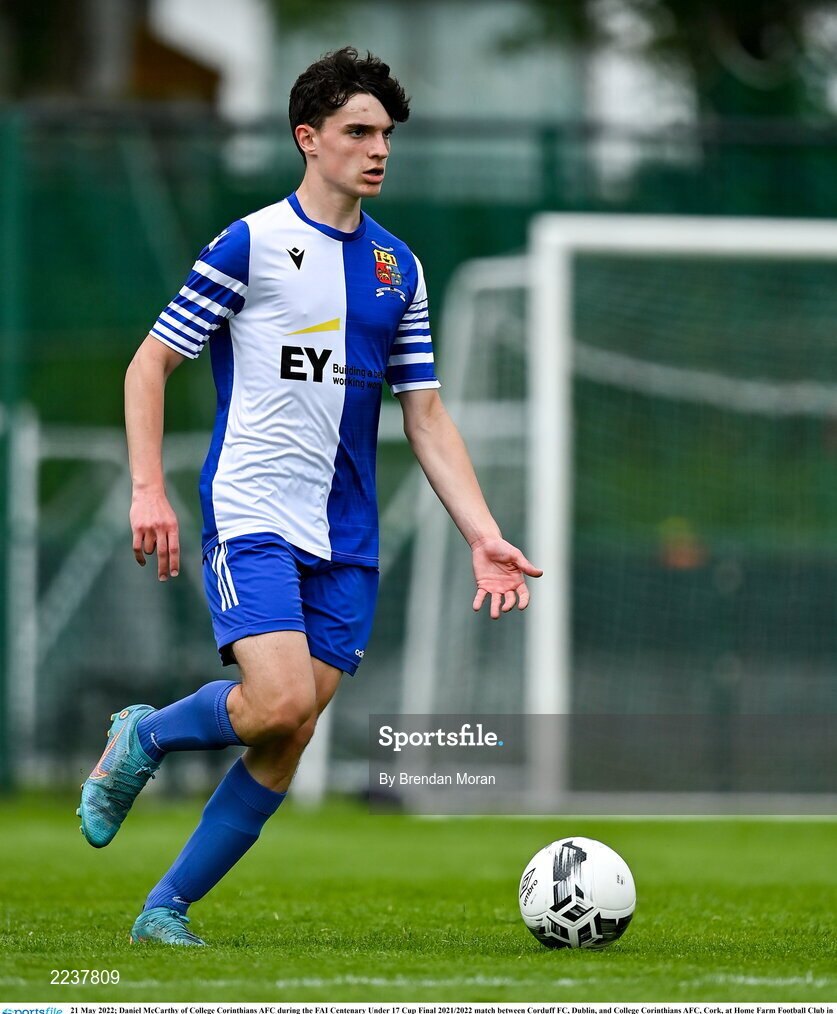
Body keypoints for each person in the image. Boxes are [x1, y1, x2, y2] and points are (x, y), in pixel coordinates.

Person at [78, 46, 541, 947]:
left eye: (385, 135)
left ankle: (163, 910)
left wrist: (483, 533)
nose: (378, 150)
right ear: (309, 138)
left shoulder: (396, 270)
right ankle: (145, 737)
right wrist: (149, 489)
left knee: (285, 735)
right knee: (280, 701)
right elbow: (151, 362)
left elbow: (427, 414)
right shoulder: (249, 243)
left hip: (347, 534)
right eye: (358, 132)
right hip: (251, 511)